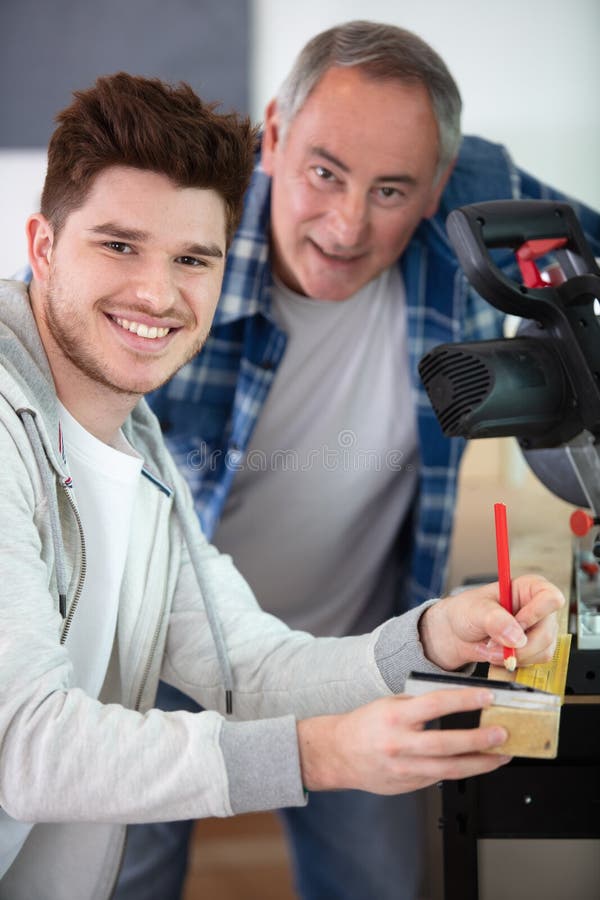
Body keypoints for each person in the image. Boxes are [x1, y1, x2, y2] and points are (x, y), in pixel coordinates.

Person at [0, 69, 566, 900]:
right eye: (119, 244)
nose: (157, 293)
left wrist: (436, 636)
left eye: (193, 258)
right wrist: (321, 752)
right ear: (44, 247)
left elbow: (248, 666)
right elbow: (26, 747)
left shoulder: (138, 442)